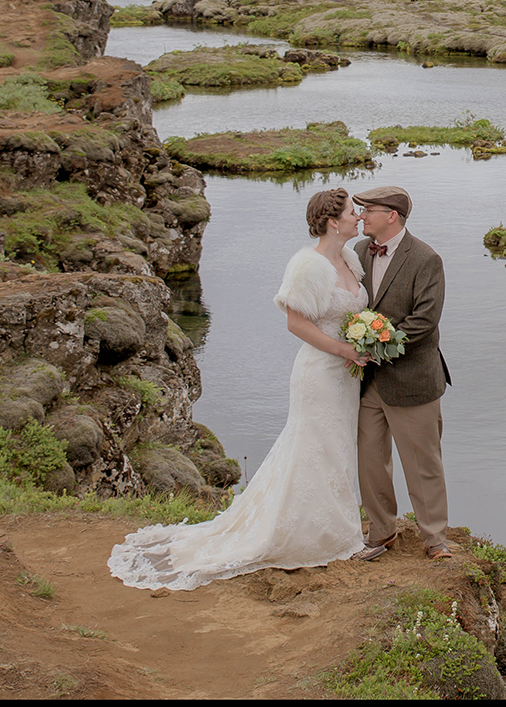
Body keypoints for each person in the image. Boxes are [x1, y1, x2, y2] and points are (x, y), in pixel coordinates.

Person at [107, 188, 370, 591]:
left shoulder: (350, 260)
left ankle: (338, 529)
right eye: (354, 212)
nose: (360, 218)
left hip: (346, 376)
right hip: (320, 372)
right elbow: (296, 324)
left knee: (337, 448)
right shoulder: (308, 265)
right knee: (315, 445)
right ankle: (317, 536)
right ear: (333, 222)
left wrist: (365, 343)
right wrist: (344, 349)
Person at [351, 185, 452, 561]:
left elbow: (424, 320)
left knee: (423, 463)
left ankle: (435, 539)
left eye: (368, 210)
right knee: (370, 461)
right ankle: (381, 533)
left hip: (413, 381)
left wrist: (377, 347)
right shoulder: (357, 253)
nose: (361, 216)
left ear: (391, 216)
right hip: (367, 384)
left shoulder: (426, 259)